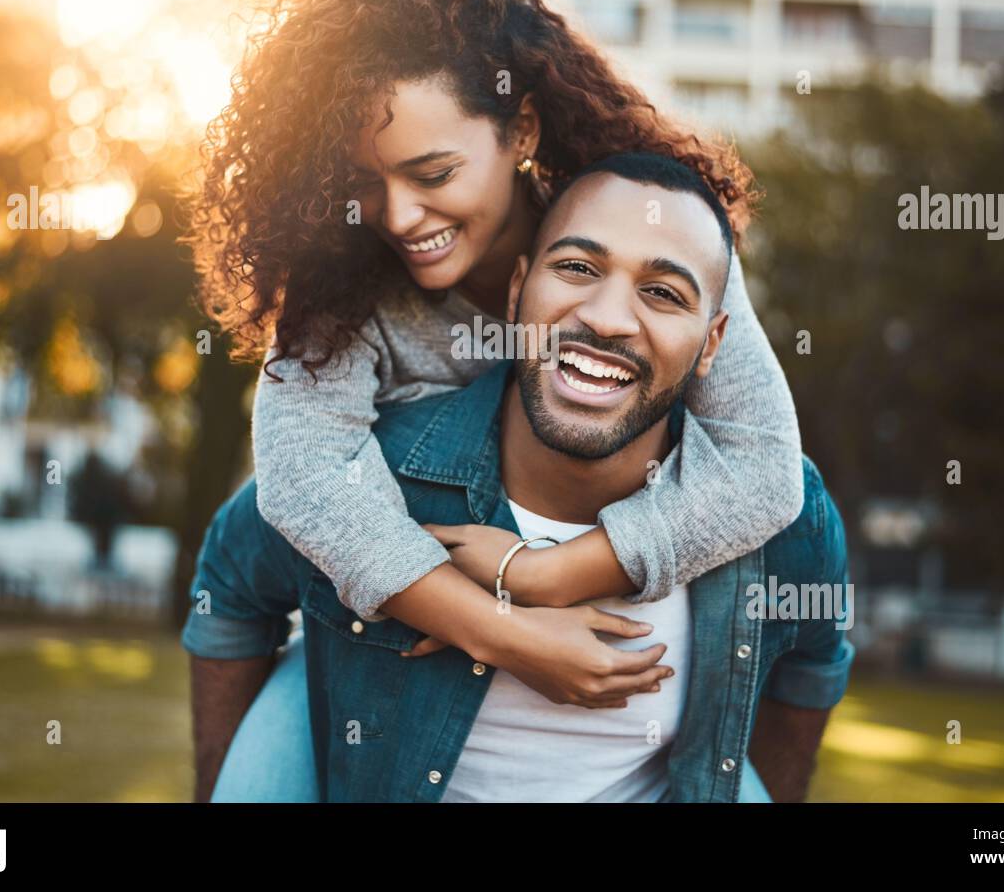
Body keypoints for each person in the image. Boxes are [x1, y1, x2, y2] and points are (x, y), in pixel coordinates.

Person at [181, 0, 806, 792]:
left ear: (518, 129)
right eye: (366, 183)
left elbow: (767, 468)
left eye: (432, 173)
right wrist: (504, 630)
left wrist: (548, 575)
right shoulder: (343, 287)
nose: (398, 215)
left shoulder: (642, 230)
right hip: (370, 641)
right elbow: (303, 480)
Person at [184, 153, 854, 802]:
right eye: (576, 267)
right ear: (516, 290)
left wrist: (534, 575)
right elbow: (235, 579)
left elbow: (813, 659)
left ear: (712, 343)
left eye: (662, 292)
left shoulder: (777, 519)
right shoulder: (370, 480)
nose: (607, 317)